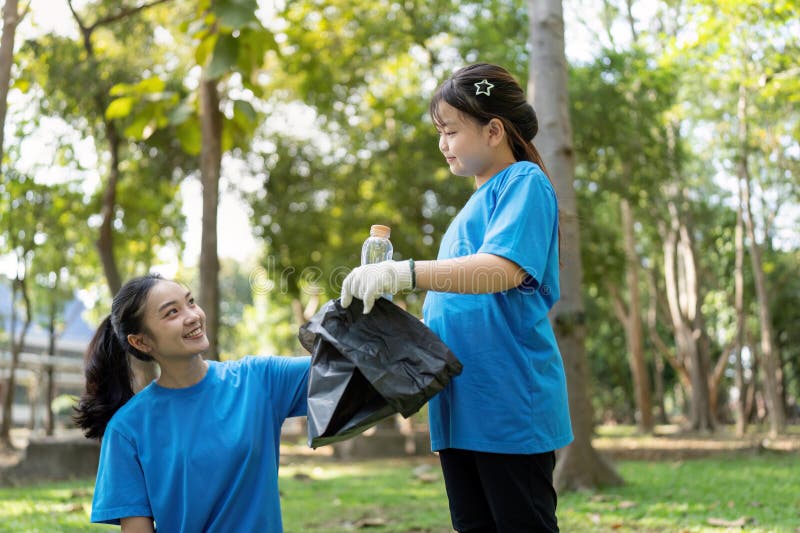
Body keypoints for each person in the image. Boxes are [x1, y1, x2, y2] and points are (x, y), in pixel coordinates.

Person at [340, 63, 573, 532]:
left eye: (450, 130)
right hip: (461, 408)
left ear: (493, 130)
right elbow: (455, 301)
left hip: (507, 404)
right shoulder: (472, 206)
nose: (442, 143)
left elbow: (500, 271)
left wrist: (403, 272)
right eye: (439, 132)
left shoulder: (524, 182)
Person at [74, 273, 310, 532]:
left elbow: (347, 370)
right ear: (141, 341)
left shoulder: (260, 380)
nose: (193, 316)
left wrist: (359, 307)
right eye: (172, 313)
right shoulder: (127, 429)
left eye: (191, 302)